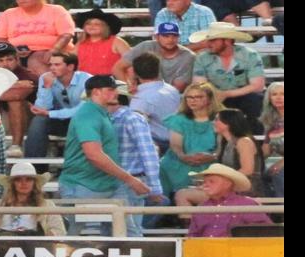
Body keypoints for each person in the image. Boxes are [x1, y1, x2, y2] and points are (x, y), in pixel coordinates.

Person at [59, 75, 147, 234]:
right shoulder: (88, 115)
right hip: (85, 185)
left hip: (102, 184)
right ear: (96, 92)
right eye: (111, 89)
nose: (116, 93)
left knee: (128, 233)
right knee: (89, 239)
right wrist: (130, 179)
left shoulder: (98, 112)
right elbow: (94, 155)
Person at [103, 80, 163, 237]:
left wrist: (154, 187)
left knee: (128, 231)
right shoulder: (123, 118)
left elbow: (148, 152)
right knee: (127, 230)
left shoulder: (131, 118)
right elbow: (148, 152)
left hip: (128, 182)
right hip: (128, 181)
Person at [0, 160, 63, 236]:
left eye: (28, 179)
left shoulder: (47, 205)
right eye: (18, 180)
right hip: (0, 248)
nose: (23, 183)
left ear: (34, 183)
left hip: (35, 250)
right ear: (12, 184)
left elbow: (59, 232)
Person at [159, 81, 218, 205]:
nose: (193, 100)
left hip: (211, 161)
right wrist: (183, 156)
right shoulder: (179, 119)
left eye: (198, 97)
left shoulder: (218, 119)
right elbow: (175, 145)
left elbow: (223, 146)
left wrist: (212, 156)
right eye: (189, 97)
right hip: (180, 159)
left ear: (209, 99)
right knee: (164, 166)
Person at [25, 52, 91, 160]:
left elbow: (84, 110)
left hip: (82, 121)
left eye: (57, 65)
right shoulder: (45, 78)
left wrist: (50, 113)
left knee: (85, 120)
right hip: (59, 121)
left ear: (70, 67)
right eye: (50, 64)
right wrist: (47, 87)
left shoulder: (86, 80)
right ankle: (35, 167)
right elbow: (42, 108)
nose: (51, 68)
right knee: (39, 120)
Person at [190, 22, 264, 118]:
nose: (208, 44)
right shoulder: (202, 58)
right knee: (200, 100)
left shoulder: (250, 55)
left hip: (243, 96)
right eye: (209, 40)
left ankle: (254, 131)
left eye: (213, 40)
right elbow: (200, 85)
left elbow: (257, 86)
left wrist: (226, 94)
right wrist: (216, 95)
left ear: (227, 41)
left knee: (254, 99)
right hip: (214, 97)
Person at [182, 162, 270, 237]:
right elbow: (192, 237)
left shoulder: (247, 204)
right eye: (204, 182)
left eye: (211, 181)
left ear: (227, 184)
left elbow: (265, 232)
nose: (206, 185)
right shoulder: (201, 208)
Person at [0, 0, 73, 76]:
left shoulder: (57, 10)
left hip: (47, 51)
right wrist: (12, 50)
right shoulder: (8, 14)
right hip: (14, 52)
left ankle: (51, 88)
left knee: (35, 61)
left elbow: (66, 35)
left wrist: (54, 50)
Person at [113, 22, 194, 91]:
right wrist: (128, 87)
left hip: (172, 96)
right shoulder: (145, 46)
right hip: (142, 93)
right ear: (156, 37)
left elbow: (177, 88)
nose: (170, 40)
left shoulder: (188, 56)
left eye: (174, 36)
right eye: (166, 36)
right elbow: (117, 68)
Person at [0, 43, 36, 159]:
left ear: (17, 59)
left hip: (30, 120)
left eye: (9, 59)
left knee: (15, 101)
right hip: (3, 118)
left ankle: (16, 146)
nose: (5, 64)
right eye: (0, 60)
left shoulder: (26, 74)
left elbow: (17, 94)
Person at [126, 53, 180, 151]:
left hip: (160, 145)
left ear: (136, 73)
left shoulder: (141, 98)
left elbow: (133, 128)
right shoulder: (172, 89)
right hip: (179, 140)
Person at [70, 9, 129, 84]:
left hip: (110, 83)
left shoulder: (116, 42)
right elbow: (70, 60)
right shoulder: (80, 43)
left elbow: (131, 61)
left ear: (105, 27)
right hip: (85, 83)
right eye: (88, 24)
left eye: (97, 24)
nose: (92, 26)